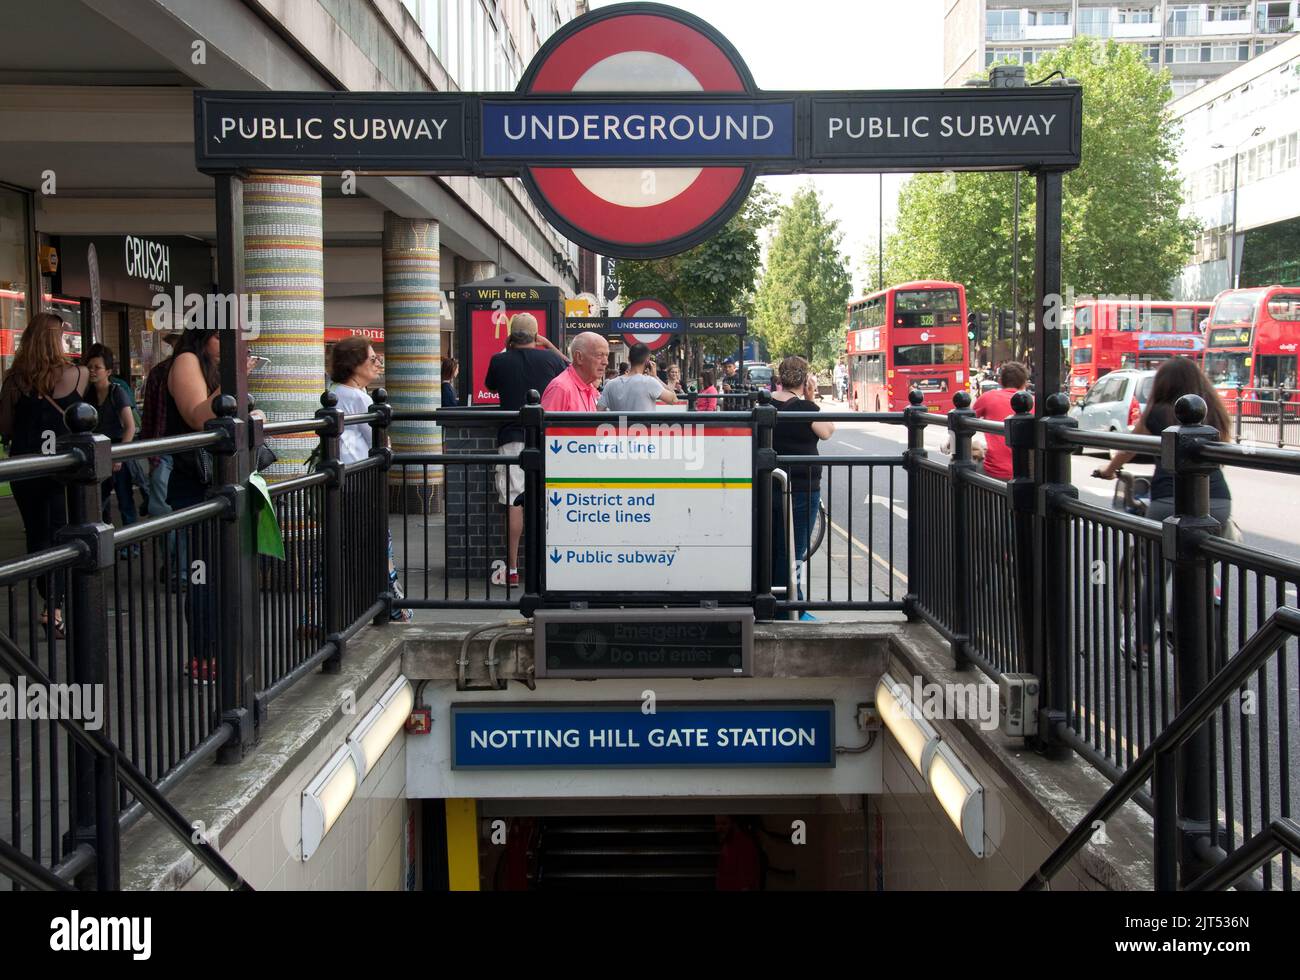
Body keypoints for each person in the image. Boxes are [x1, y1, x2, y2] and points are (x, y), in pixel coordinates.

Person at [0, 312, 90, 635]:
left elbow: (5, 427)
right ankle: (53, 605)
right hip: (63, 469)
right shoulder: (78, 375)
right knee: (60, 532)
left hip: (25, 470)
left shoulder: (14, 380)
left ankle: (49, 600)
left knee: (36, 534)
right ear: (56, 340)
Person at [328, 336, 411, 622]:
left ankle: (334, 611)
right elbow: (379, 441)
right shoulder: (360, 398)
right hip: (361, 480)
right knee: (376, 542)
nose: (379, 363)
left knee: (345, 545)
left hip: (343, 478)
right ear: (354, 365)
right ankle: (391, 603)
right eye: (372, 359)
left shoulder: (335, 393)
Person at [483, 312, 568, 586]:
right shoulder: (551, 359)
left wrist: (506, 347)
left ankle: (512, 569)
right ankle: (551, 567)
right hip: (546, 439)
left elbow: (490, 384)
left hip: (511, 438)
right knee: (549, 499)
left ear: (510, 336)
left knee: (513, 501)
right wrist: (548, 344)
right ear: (536, 335)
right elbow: (572, 367)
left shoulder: (499, 360)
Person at [770, 356, 834, 620]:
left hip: (771, 484)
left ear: (779, 378)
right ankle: (792, 608)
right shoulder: (805, 408)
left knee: (773, 545)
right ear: (805, 379)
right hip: (802, 488)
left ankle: (772, 602)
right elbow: (828, 431)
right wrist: (812, 396)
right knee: (794, 549)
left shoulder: (768, 403)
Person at [83, 343, 138, 527]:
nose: (92, 371)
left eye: (97, 367)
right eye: (89, 367)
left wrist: (120, 456)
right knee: (100, 501)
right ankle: (105, 540)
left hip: (116, 448)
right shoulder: (87, 394)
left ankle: (131, 542)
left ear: (108, 371)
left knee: (124, 498)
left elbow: (130, 426)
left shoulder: (117, 392)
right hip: (97, 451)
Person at [972, 361, 1032, 480]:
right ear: (1025, 383)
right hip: (1028, 472)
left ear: (1000, 381)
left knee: (968, 468)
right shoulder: (1033, 402)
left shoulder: (988, 397)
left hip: (995, 471)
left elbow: (965, 421)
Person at [596, 342, 677, 412]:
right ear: (647, 360)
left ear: (629, 359)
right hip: (643, 429)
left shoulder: (610, 384)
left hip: (618, 429)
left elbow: (599, 410)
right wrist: (655, 377)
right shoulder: (649, 382)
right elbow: (673, 400)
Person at [540, 331, 608, 412]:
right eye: (599, 355)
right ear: (579, 357)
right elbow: (547, 424)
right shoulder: (560, 388)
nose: (605, 362)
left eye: (607, 356)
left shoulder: (589, 387)